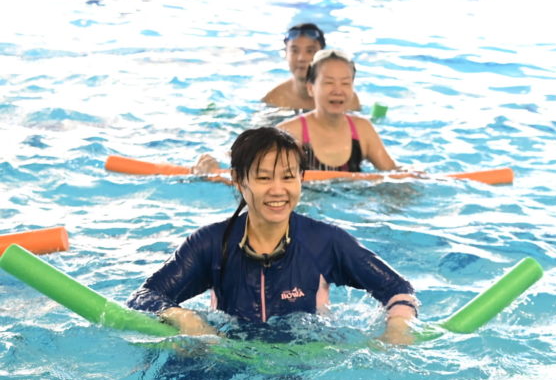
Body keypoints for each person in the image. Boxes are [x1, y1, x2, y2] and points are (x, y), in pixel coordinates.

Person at [132, 128, 418, 345]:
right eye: (264, 178)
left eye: (288, 177)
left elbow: (397, 288)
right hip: (227, 353)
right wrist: (183, 317)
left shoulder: (323, 241)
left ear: (301, 179)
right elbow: (144, 297)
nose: (278, 190)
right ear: (238, 179)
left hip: (304, 359)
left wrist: (397, 330)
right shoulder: (211, 243)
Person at [274, 50, 397, 172]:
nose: (338, 91)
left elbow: (393, 172)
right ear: (311, 88)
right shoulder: (290, 134)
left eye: (345, 83)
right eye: (329, 82)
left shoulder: (362, 129)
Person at [261, 22, 362, 114]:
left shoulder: (346, 99)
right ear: (286, 54)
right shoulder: (275, 99)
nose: (301, 58)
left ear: (322, 56)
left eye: (310, 51)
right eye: (294, 51)